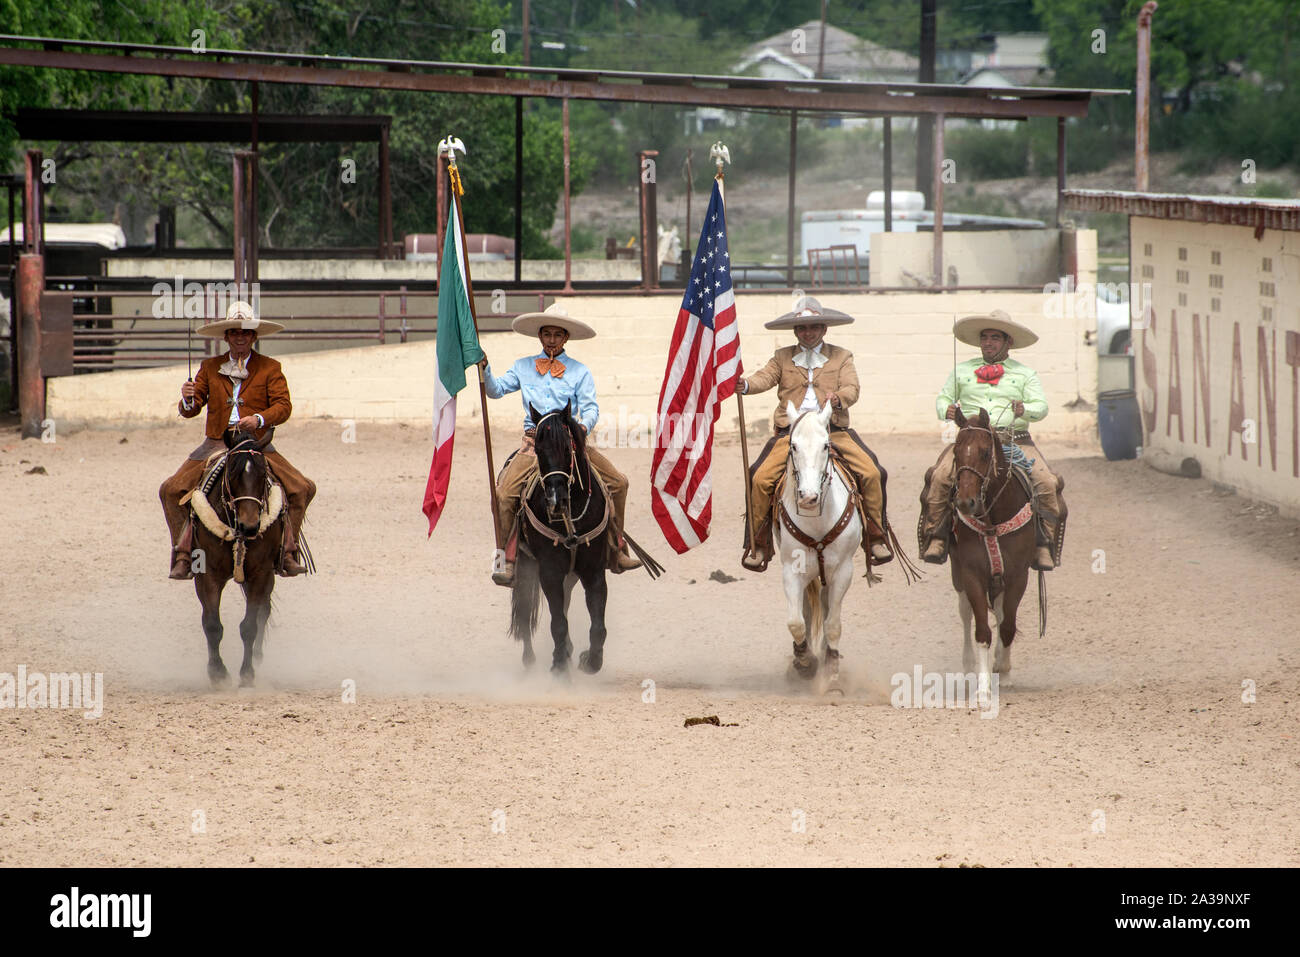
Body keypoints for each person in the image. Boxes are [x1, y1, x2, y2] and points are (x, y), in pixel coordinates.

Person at [480, 302, 641, 586]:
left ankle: (615, 550)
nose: (551, 340)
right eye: (547, 334)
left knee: (619, 483)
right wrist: (484, 368)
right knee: (504, 495)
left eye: (557, 335)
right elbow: (494, 390)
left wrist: (581, 427)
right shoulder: (522, 367)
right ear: (540, 336)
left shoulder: (580, 372)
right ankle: (506, 559)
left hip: (570, 444)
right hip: (535, 445)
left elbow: (591, 409)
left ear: (566, 338)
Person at [158, 301, 316, 579]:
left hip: (257, 443)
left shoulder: (271, 368)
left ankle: (287, 552)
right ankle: (184, 555)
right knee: (170, 490)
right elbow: (191, 409)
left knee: (301, 488)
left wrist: (259, 419)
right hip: (216, 443)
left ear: (253, 336)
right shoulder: (209, 367)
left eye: (245, 332)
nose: (240, 337)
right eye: (234, 332)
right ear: (226, 337)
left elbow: (284, 407)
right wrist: (187, 397)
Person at [737, 296, 895, 572]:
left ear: (824, 329)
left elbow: (852, 389)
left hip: (833, 431)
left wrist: (838, 399)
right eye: (802, 329)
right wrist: (746, 385)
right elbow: (764, 377)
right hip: (792, 433)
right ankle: (759, 543)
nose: (807, 333)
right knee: (758, 477)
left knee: (873, 473)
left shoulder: (842, 356)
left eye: (813, 327)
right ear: (795, 331)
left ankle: (875, 537)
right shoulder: (782, 357)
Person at [919, 309, 1065, 571]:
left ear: (1008, 342)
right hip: (972, 441)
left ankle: (1044, 543)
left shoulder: (1025, 374)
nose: (988, 342)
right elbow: (943, 397)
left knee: (1047, 482)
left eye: (994, 337)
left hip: (1014, 440)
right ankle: (937, 536)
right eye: (984, 337)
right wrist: (947, 409)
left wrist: (1025, 410)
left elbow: (1041, 406)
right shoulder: (962, 370)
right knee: (940, 477)